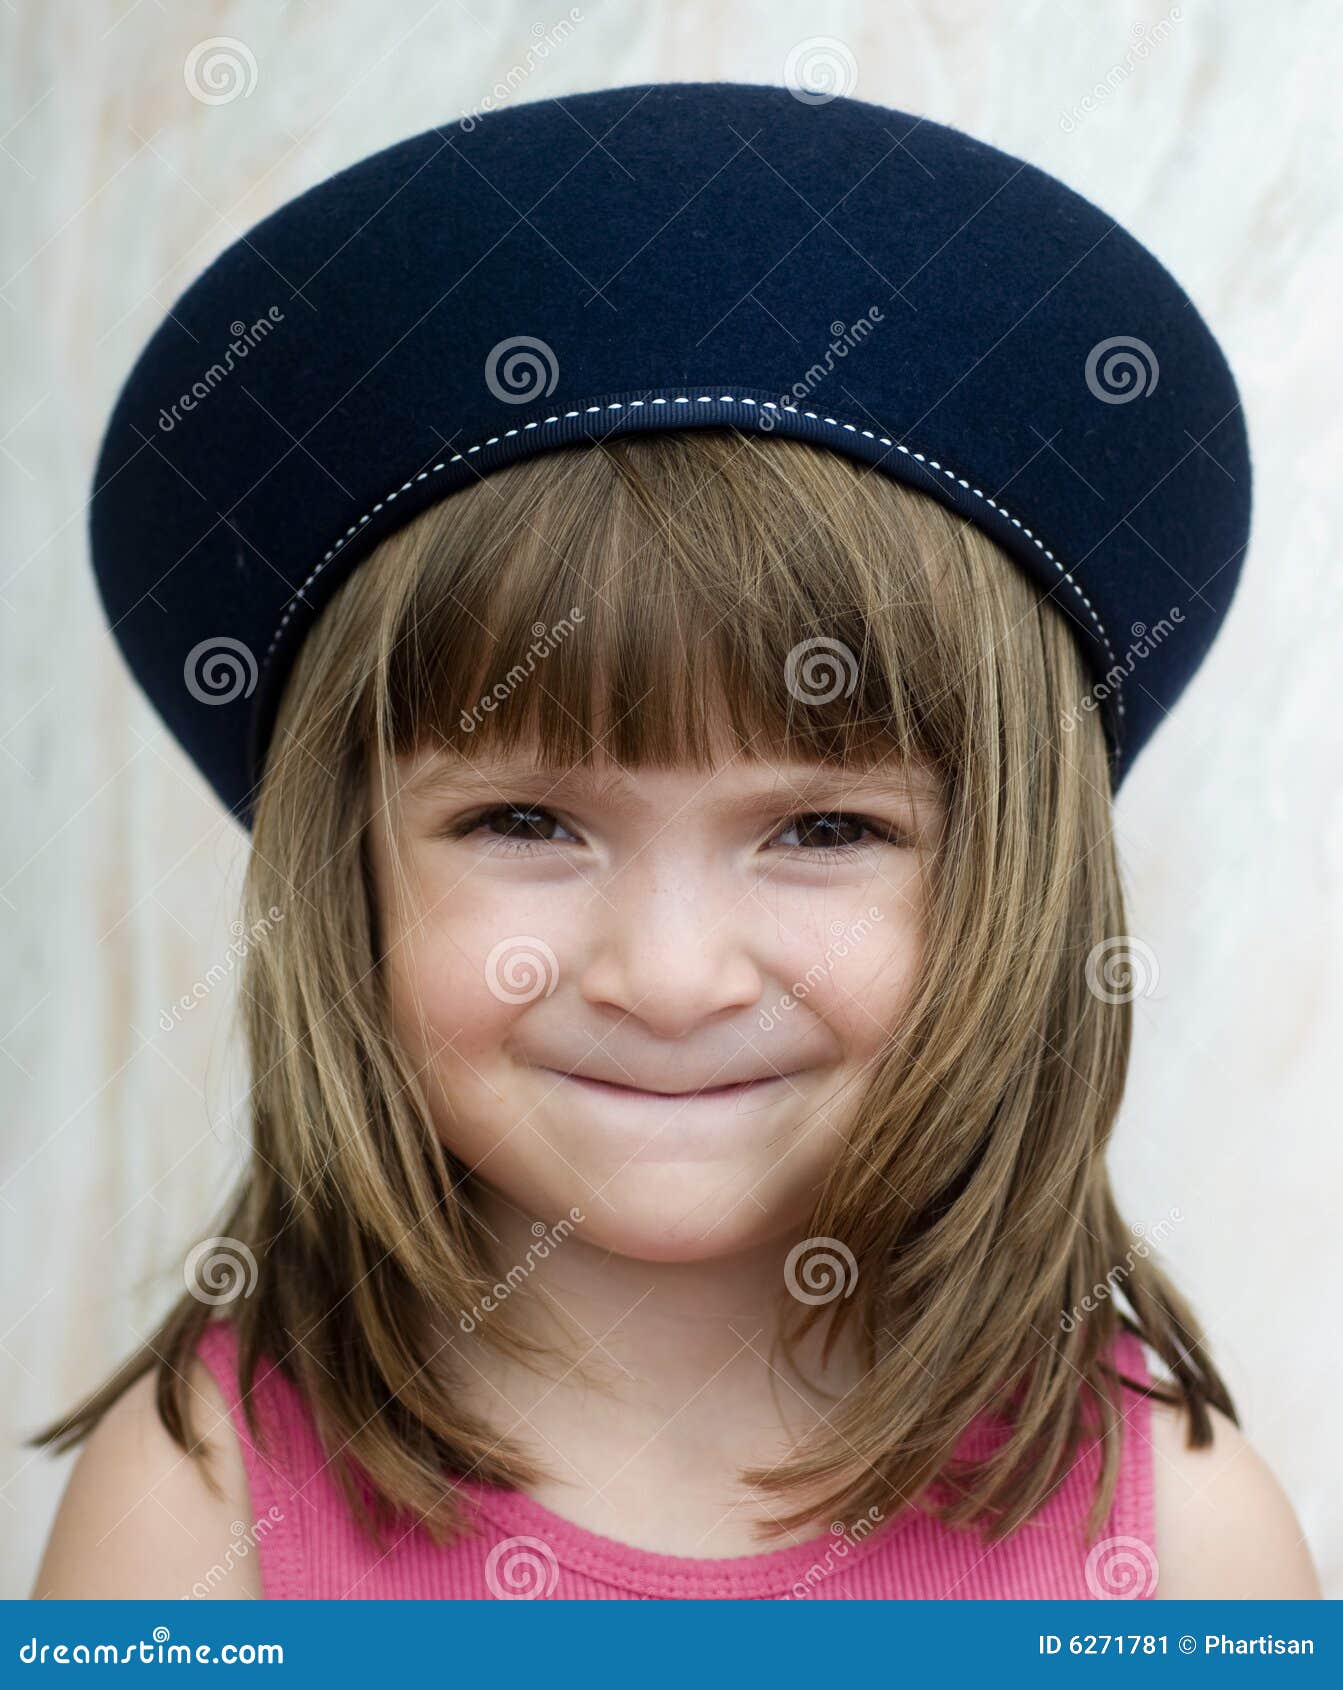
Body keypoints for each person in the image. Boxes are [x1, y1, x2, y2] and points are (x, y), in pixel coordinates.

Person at [28, 82, 1323, 1599]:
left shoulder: (1175, 1534)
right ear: (347, 871)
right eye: (524, 819)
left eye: (826, 826)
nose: (668, 973)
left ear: (1017, 882)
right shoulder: (197, 1504)